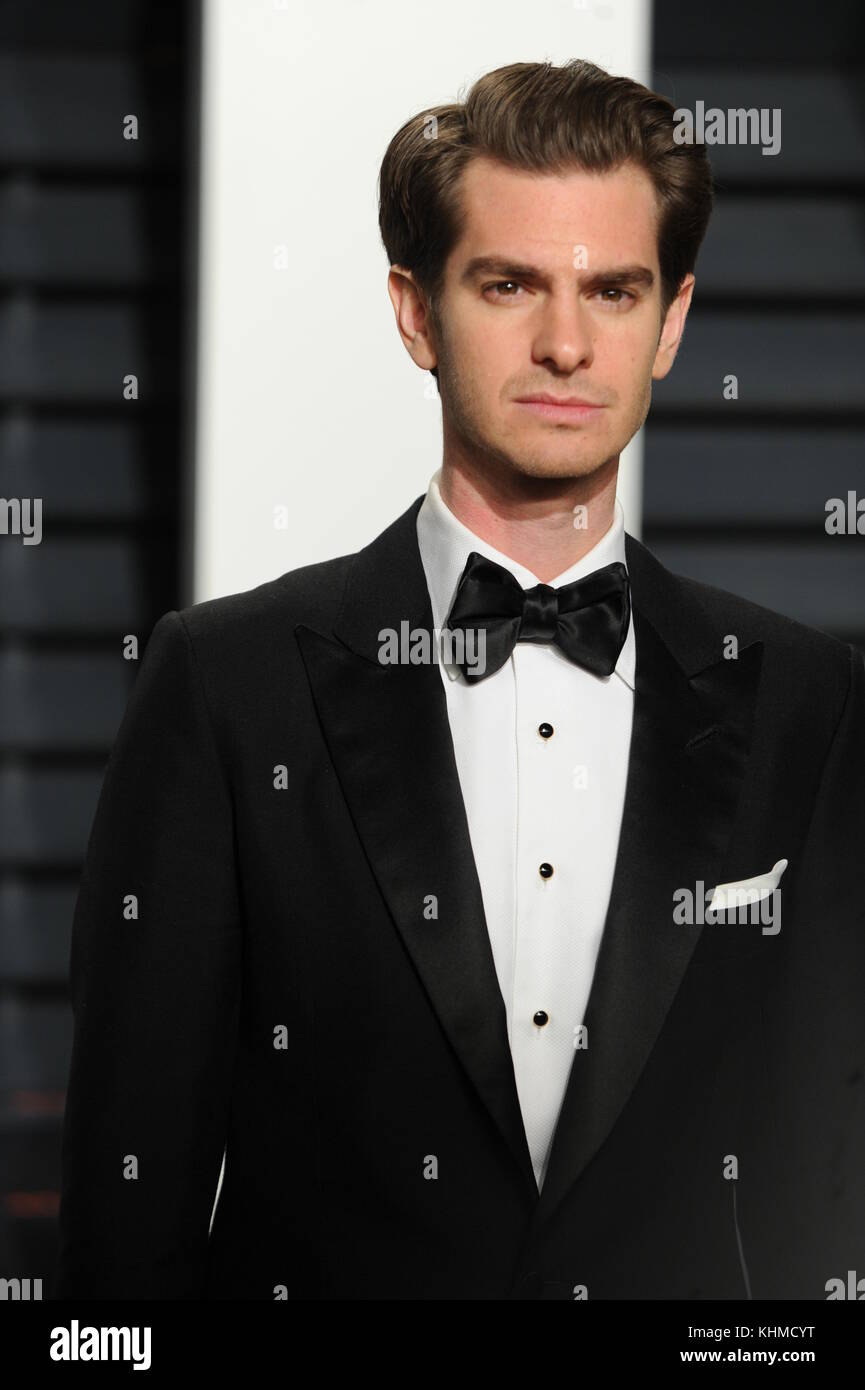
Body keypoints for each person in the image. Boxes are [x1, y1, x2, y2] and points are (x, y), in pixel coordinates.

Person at [53, 59, 864, 1300]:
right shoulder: (225, 687)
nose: (563, 341)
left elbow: (829, 1199)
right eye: (509, 284)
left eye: (612, 288)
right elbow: (124, 1223)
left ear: (673, 322)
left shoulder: (808, 703)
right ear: (416, 311)